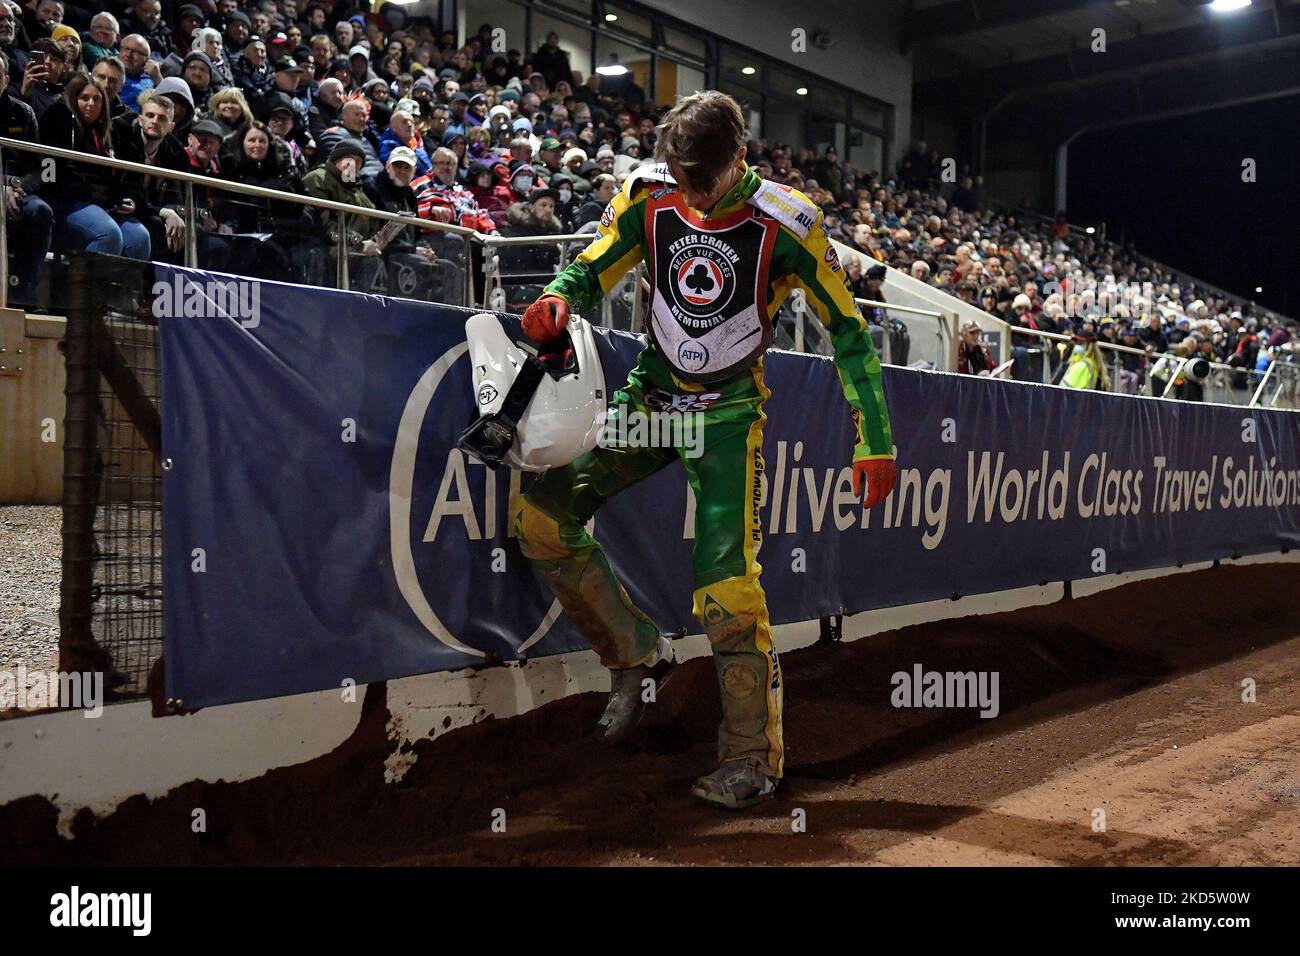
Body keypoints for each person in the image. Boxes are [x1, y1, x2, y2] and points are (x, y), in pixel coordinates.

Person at [511, 91, 896, 810]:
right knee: (540, 517)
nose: (688, 193)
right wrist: (560, 298)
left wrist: (874, 438)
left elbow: (849, 332)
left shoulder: (790, 223)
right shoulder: (647, 193)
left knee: (726, 592)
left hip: (724, 416)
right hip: (651, 402)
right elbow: (593, 267)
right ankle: (634, 657)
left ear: (740, 160)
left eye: (702, 182)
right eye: (679, 176)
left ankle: (752, 758)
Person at [37, 73, 150, 259]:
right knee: (108, 233)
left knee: (139, 237)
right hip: (68, 201)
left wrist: (129, 199)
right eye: (84, 98)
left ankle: (119, 289)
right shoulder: (58, 118)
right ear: (74, 98)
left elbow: (127, 177)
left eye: (97, 99)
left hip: (105, 203)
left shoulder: (112, 133)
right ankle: (84, 288)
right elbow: (54, 171)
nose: (91, 104)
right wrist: (99, 196)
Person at [0, 54, 54, 305]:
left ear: (6, 80)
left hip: (19, 190)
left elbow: (43, 166)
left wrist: (16, 186)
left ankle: (23, 291)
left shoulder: (23, 112)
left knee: (41, 211)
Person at [1060, 327, 1110, 391]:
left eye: (1081, 343)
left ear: (1089, 345)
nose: (1077, 346)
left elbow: (1066, 390)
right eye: (1077, 343)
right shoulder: (1092, 363)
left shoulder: (1083, 365)